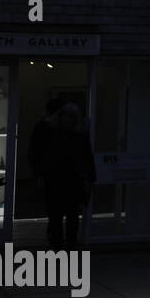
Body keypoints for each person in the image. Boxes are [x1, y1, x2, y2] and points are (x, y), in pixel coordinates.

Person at [28, 99, 95, 249]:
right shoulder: (57, 133)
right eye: (67, 116)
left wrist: (90, 177)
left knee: (68, 215)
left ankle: (66, 243)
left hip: (69, 179)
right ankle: (59, 244)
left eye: (72, 117)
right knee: (58, 214)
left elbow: (87, 155)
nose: (69, 119)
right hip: (58, 178)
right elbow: (37, 153)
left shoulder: (74, 134)